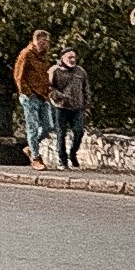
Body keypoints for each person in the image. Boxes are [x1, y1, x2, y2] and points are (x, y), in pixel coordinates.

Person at [12, 28, 54, 166]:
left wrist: (47, 91)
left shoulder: (42, 56)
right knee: (33, 127)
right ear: (39, 41)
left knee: (48, 126)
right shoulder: (26, 54)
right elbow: (19, 76)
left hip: (42, 96)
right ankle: (36, 158)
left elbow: (43, 76)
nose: (47, 45)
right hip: (30, 96)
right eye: (46, 42)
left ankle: (31, 147)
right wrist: (27, 93)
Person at [48, 40, 87, 171]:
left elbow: (86, 88)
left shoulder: (80, 71)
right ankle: (62, 161)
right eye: (69, 57)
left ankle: (73, 153)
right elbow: (49, 88)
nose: (72, 59)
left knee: (79, 131)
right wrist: (59, 96)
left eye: (74, 57)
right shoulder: (55, 71)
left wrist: (86, 103)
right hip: (61, 107)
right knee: (61, 133)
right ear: (62, 58)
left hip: (77, 107)